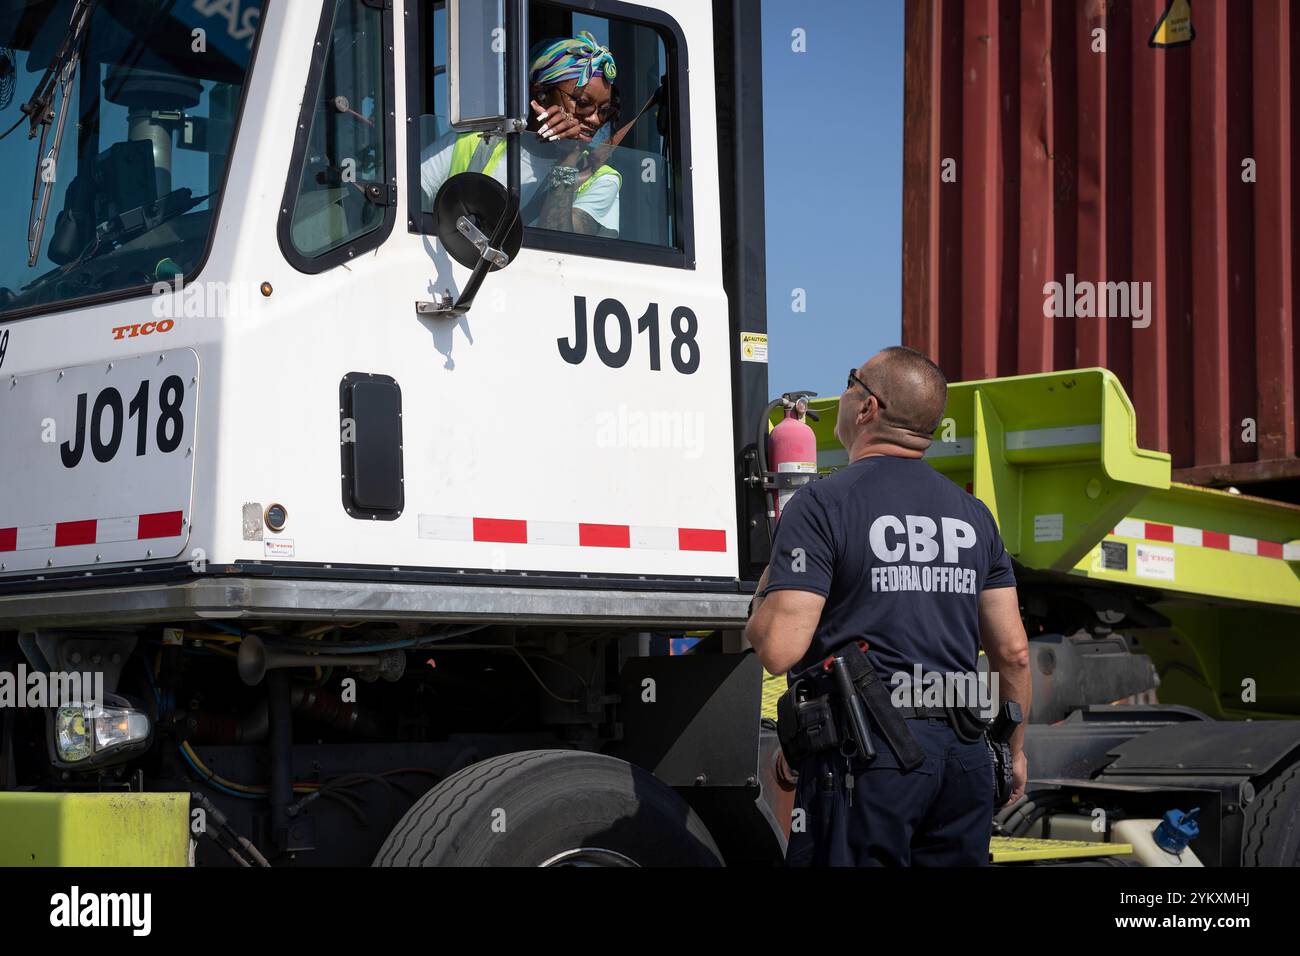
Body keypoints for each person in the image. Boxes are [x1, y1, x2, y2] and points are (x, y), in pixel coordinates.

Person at [744, 346, 1032, 867]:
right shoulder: (974, 515)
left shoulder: (822, 503)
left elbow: (778, 649)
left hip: (868, 762)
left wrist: (769, 582)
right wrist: (1012, 752)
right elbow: (1012, 652)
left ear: (867, 407)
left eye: (849, 382)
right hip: (964, 759)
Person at [420, 31, 623, 237]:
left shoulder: (601, 178)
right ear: (540, 95)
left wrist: (569, 158)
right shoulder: (474, 142)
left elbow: (560, 251)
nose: (595, 119)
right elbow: (407, 202)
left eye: (604, 110)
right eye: (583, 104)